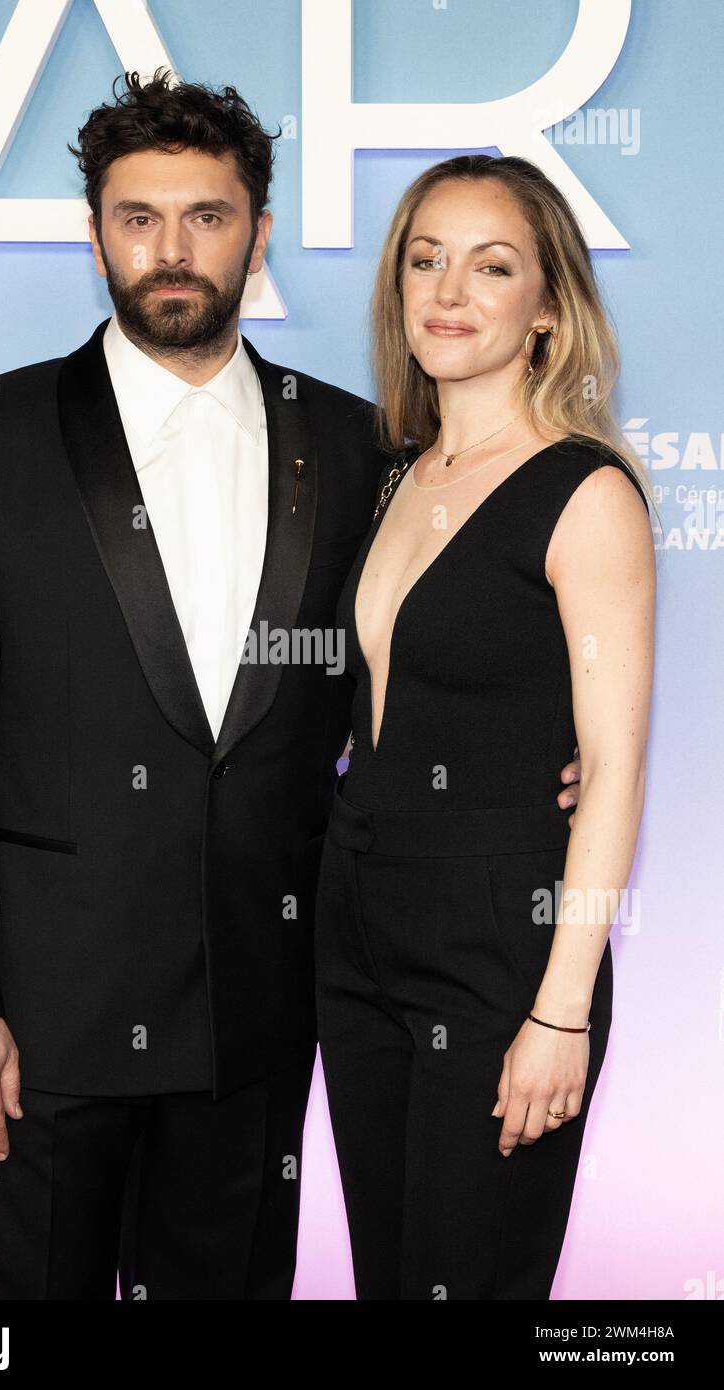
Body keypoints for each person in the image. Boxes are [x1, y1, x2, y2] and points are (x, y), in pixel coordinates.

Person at [0, 69, 582, 1299]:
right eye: (136, 215)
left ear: (256, 236)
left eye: (205, 215)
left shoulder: (368, 445)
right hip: (41, 1019)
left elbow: (423, 660)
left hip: (265, 1008)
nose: (170, 248)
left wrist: (533, 765)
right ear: (94, 235)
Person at [314, 153, 655, 1300]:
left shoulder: (583, 491)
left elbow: (607, 766)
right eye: (425, 259)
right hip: (355, 923)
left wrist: (558, 1009)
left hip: (499, 944)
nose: (448, 289)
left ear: (546, 307)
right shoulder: (392, 475)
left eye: (491, 264)